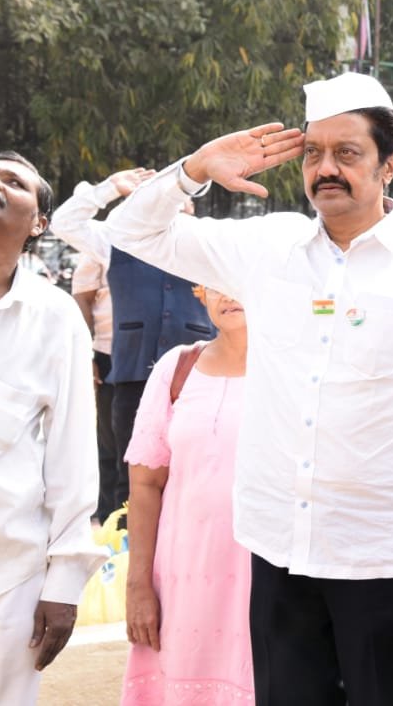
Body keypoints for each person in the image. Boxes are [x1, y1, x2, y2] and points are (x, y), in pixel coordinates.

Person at [106, 72, 393, 705]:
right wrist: (194, 169)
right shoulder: (268, 247)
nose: (326, 169)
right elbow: (132, 231)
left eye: (348, 153)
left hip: (385, 559)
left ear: (390, 162)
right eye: (314, 153)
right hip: (280, 549)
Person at [48, 167, 214, 517]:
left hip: (200, 378)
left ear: (190, 206)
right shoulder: (117, 240)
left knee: (199, 476)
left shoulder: (206, 240)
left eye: (176, 196)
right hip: (134, 374)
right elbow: (63, 222)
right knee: (132, 476)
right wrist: (109, 188)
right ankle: (128, 559)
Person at [0, 151, 103, 705]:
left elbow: (73, 457)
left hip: (9, 581)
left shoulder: (56, 317)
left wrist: (63, 584)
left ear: (39, 221)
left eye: (12, 182)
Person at [122, 286, 252, 704]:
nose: (230, 295)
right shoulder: (177, 367)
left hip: (265, 584)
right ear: (200, 294)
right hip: (181, 583)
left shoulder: (297, 367)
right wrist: (138, 585)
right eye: (217, 283)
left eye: (241, 279)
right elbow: (144, 484)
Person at [70, 250, 115, 524]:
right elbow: (82, 299)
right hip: (109, 353)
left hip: (176, 350)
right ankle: (112, 525)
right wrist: (87, 355)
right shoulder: (102, 240)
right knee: (110, 442)